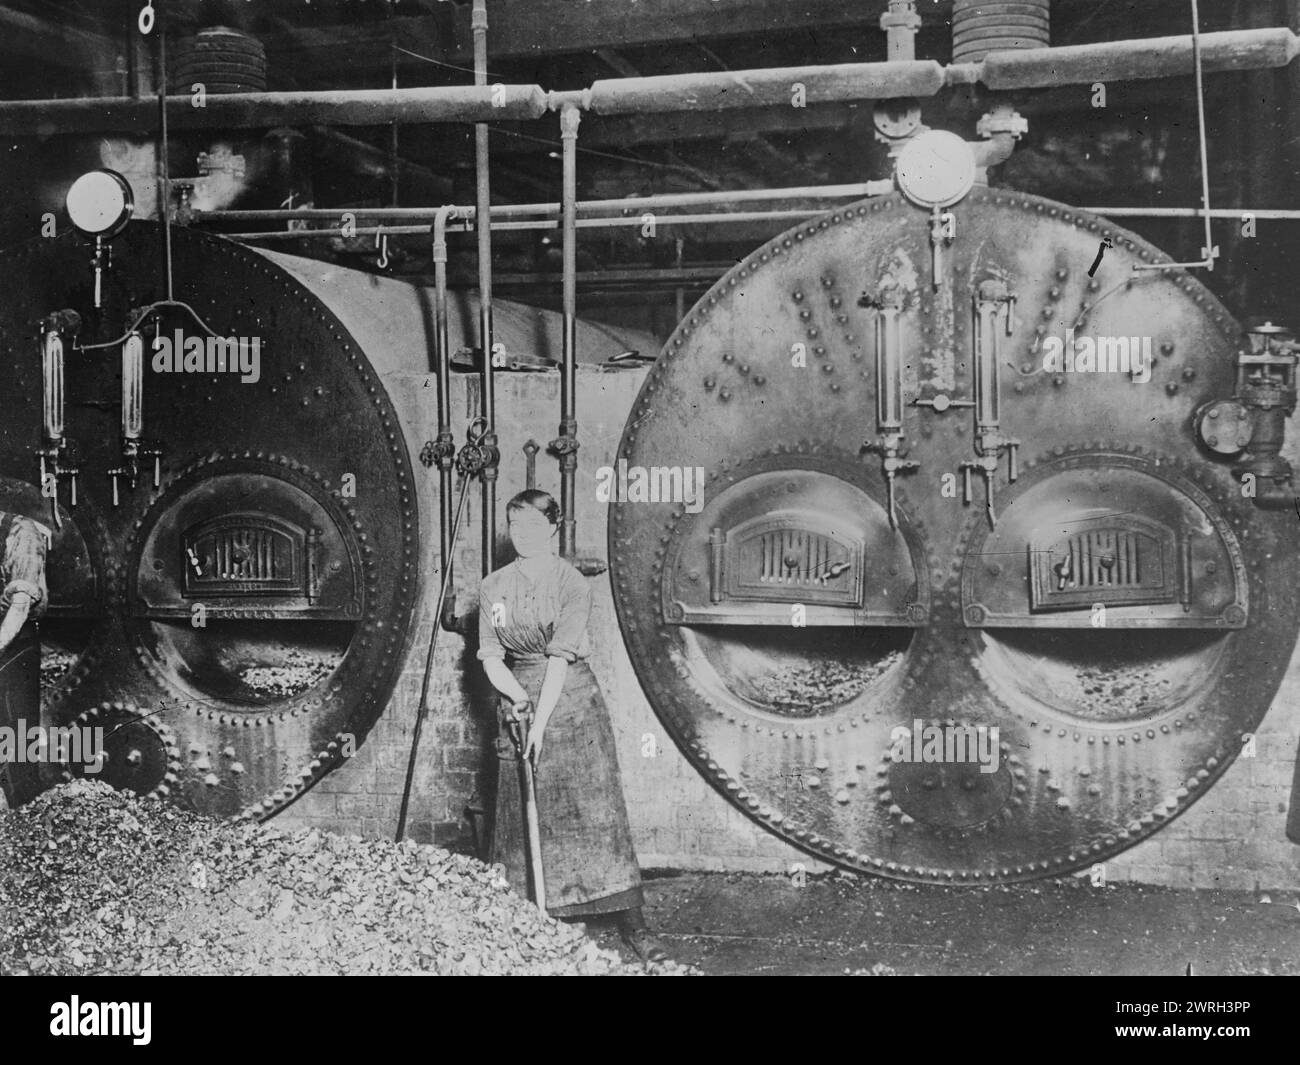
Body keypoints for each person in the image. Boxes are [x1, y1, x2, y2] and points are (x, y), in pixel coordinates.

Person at [478, 489, 668, 963]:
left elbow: (559, 662)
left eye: (533, 528)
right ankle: (537, 916)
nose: (522, 536)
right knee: (522, 815)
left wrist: (540, 723)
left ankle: (632, 921)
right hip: (517, 699)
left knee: (594, 811)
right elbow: (491, 657)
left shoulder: (571, 584)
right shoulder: (493, 586)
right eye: (515, 527)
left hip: (571, 704)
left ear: (553, 530)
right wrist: (517, 699)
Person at [0, 500, 51, 809]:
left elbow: (20, 606)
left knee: (18, 749)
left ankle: (28, 824)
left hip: (14, 644)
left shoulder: (21, 532)